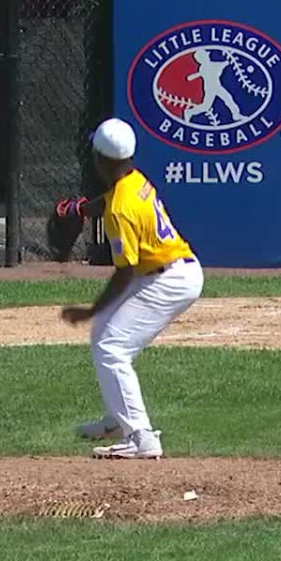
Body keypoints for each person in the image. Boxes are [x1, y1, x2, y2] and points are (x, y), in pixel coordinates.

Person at [61, 117, 204, 459]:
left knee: (112, 347)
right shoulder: (134, 180)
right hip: (168, 270)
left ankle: (141, 437)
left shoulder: (121, 209)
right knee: (103, 334)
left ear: (101, 161)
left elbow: (124, 273)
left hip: (166, 280)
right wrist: (82, 208)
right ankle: (115, 420)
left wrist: (89, 309)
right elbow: (111, 199)